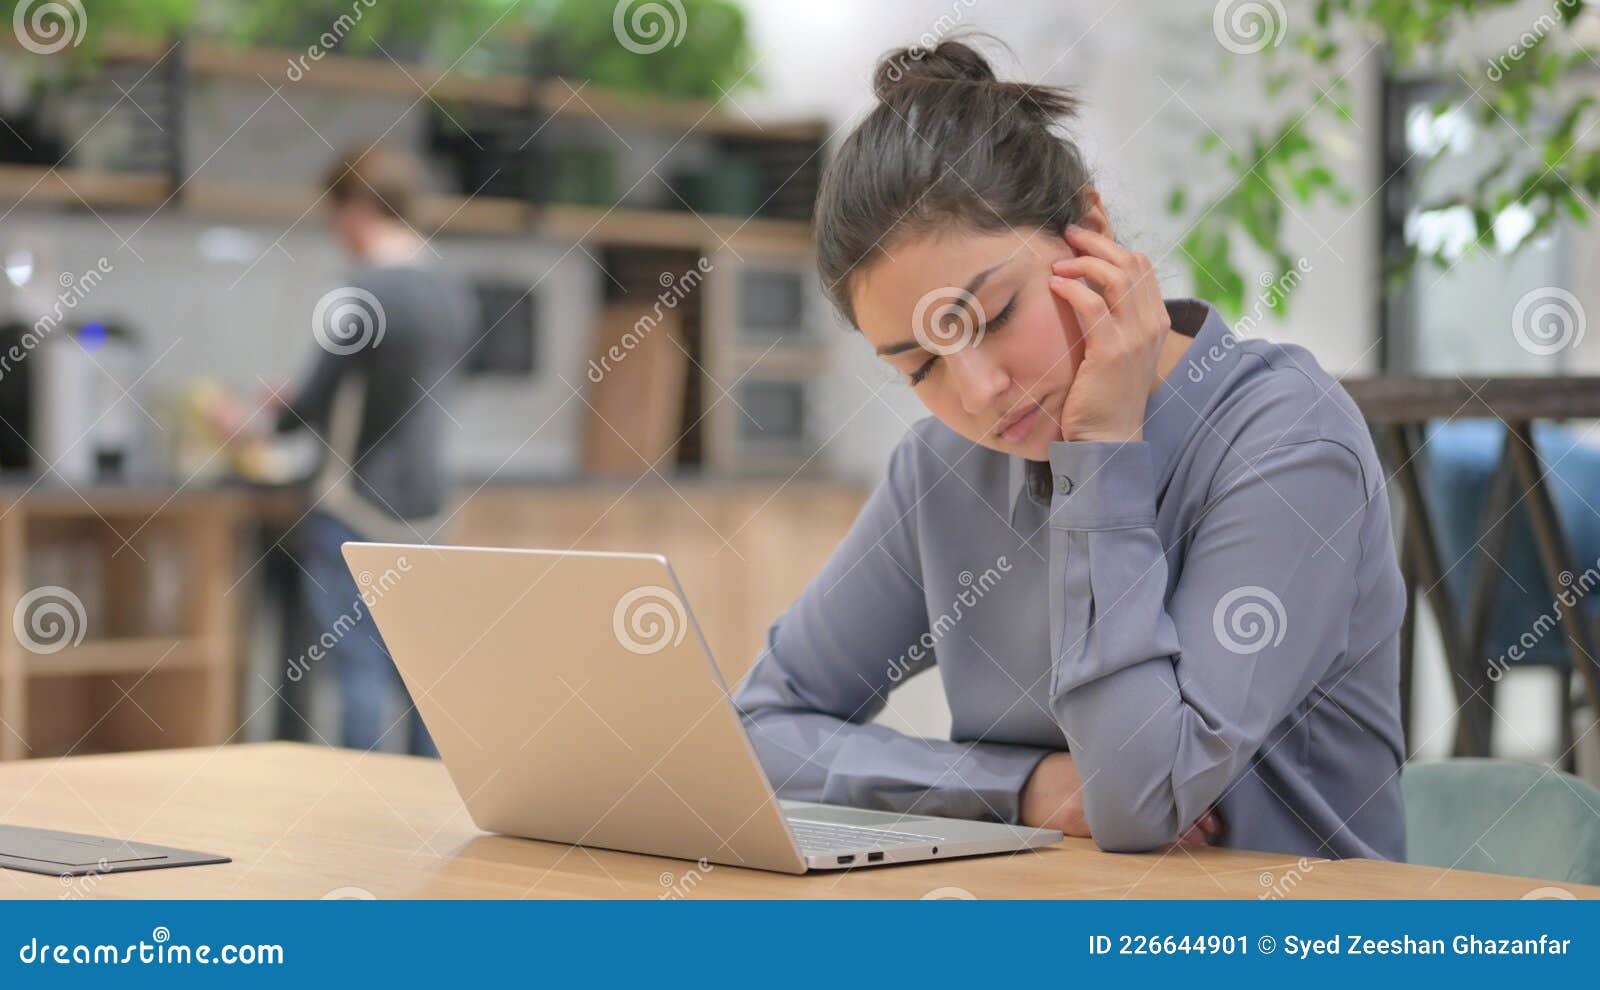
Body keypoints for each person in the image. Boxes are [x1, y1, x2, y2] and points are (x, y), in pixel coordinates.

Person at [731, 39, 1407, 859]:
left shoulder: (1288, 441)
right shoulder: (943, 472)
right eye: (919, 366)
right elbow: (757, 728)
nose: (977, 391)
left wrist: (1102, 451)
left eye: (996, 314)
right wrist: (1021, 788)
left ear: (1090, 231)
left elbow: (1141, 801)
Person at [274, 146, 478, 756]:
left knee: (359, 675)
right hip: (428, 513)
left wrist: (261, 416)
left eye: (335, 213)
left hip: (354, 509)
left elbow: (310, 404)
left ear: (359, 208)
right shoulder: (453, 293)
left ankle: (358, 820)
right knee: (424, 681)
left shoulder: (359, 294)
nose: (336, 230)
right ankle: (425, 821)